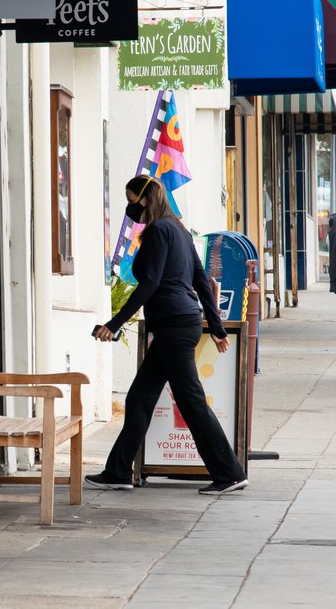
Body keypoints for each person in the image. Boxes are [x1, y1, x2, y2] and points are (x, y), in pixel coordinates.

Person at [88, 175, 249, 496]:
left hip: (174, 325)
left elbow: (149, 283)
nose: (129, 206)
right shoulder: (178, 229)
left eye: (131, 199)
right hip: (177, 324)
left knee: (190, 403)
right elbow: (201, 278)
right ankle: (118, 471)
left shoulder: (161, 231)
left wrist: (115, 322)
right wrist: (215, 327)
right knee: (139, 398)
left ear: (145, 200)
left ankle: (229, 472)